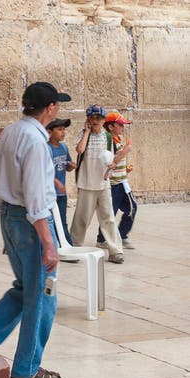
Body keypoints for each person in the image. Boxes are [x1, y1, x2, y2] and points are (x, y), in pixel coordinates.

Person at [0, 81, 70, 378]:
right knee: (42, 297)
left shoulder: (11, 132)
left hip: (11, 218)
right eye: (57, 105)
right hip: (31, 222)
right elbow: (36, 198)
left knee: (25, 289)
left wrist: (9, 232)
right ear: (50, 108)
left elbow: (2, 181)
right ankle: (27, 367)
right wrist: (48, 243)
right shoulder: (36, 142)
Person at [70, 105, 125, 264]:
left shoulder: (107, 137)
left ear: (103, 120)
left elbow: (111, 158)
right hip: (86, 182)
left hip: (103, 183)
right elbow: (80, 150)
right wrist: (87, 132)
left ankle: (115, 251)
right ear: (88, 119)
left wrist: (111, 167)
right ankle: (74, 247)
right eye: (92, 118)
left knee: (108, 218)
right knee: (82, 217)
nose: (95, 121)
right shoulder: (83, 134)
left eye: (99, 118)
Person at [97, 111, 136, 250]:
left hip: (122, 181)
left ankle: (122, 235)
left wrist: (125, 169)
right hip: (113, 184)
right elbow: (110, 162)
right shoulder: (108, 141)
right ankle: (102, 239)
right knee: (110, 213)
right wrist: (125, 151)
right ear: (111, 126)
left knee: (132, 208)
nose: (123, 127)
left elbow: (117, 161)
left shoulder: (118, 139)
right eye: (120, 125)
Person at [46, 117, 76, 245]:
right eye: (59, 129)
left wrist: (71, 166)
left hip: (61, 194)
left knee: (62, 222)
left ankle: (66, 246)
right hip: (49, 194)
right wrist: (56, 182)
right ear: (49, 131)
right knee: (49, 222)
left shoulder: (64, 147)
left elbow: (67, 167)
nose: (63, 132)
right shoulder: (46, 149)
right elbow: (42, 172)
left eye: (64, 129)